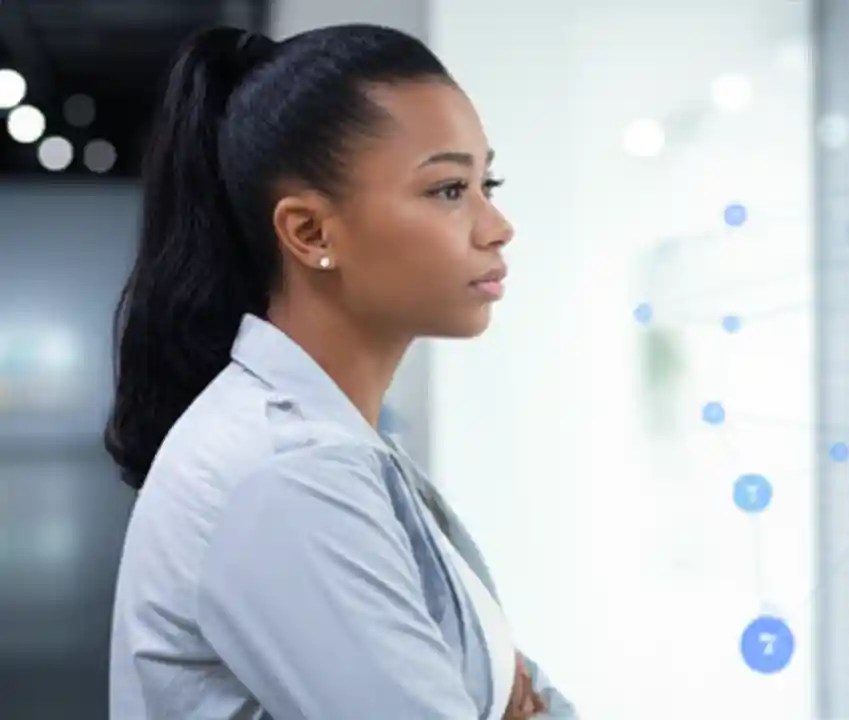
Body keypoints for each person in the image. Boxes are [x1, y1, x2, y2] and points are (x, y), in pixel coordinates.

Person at [104, 24, 575, 720]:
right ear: (311, 233)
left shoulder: (333, 445)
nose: (496, 225)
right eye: (449, 189)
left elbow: (521, 692)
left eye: (487, 182)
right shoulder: (289, 475)